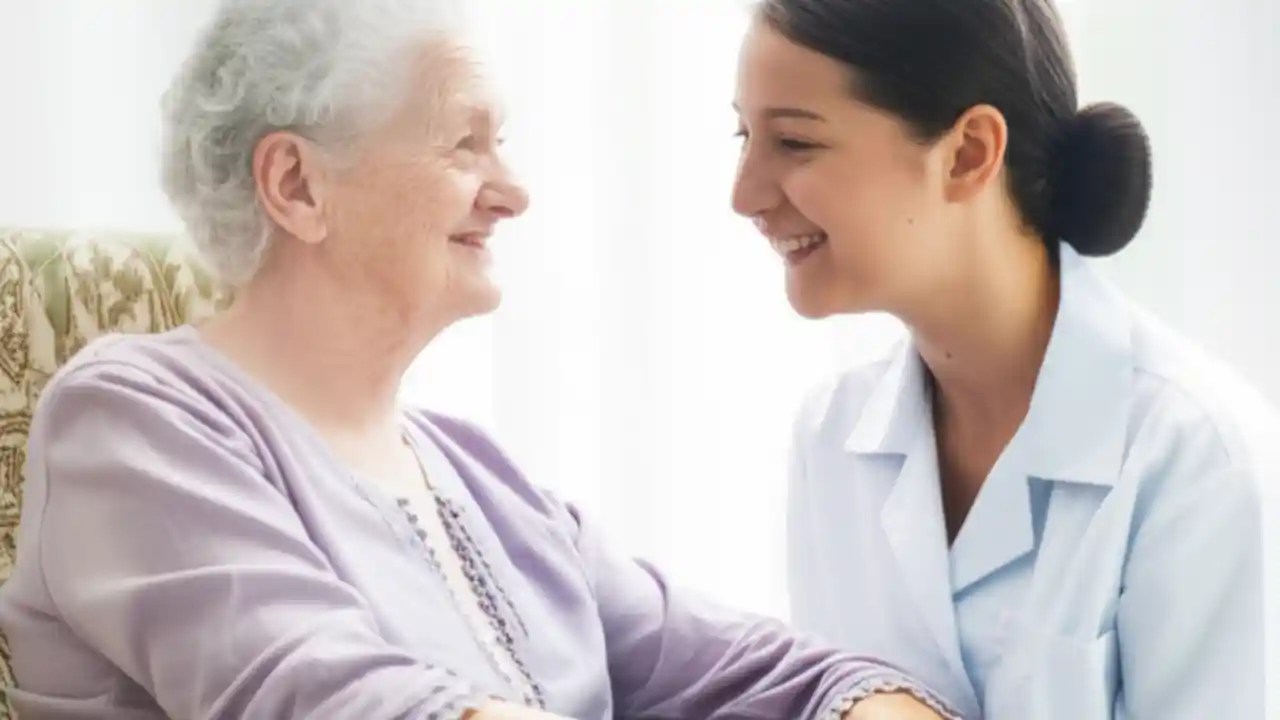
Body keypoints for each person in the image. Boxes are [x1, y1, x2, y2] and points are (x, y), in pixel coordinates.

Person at [0, 1, 963, 719]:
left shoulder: (478, 477)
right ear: (296, 184)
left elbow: (763, 673)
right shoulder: (129, 419)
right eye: (466, 143)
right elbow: (330, 696)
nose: (514, 193)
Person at [730, 0, 1276, 718]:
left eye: (795, 143)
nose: (745, 195)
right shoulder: (831, 435)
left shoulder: (1193, 454)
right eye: (743, 134)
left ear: (968, 153)